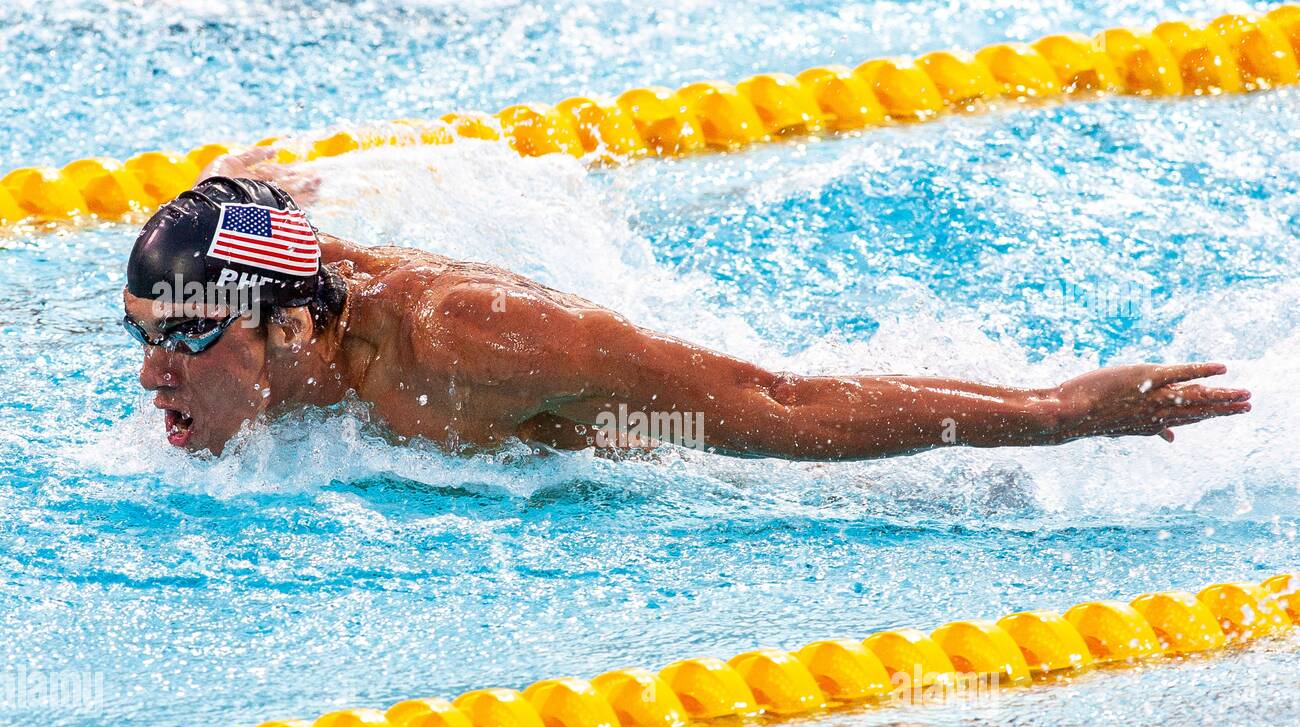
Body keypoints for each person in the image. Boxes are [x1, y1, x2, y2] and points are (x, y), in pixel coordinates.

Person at [123, 169, 1250, 458]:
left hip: (613, 436)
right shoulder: (265, 300)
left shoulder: (475, 345)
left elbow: (774, 401)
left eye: (182, 338)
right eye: (144, 335)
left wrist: (1053, 410)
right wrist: (226, 189)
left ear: (290, 330)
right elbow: (260, 250)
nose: (150, 377)